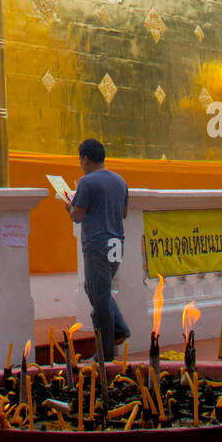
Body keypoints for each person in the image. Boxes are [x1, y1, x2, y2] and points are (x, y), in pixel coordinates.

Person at [66, 138, 130, 359]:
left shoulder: (87, 182)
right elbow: (123, 213)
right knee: (96, 289)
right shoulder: (120, 181)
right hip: (116, 242)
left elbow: (77, 215)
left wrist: (69, 206)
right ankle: (119, 328)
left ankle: (105, 352)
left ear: (85, 159)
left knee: (99, 294)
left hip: (97, 242)